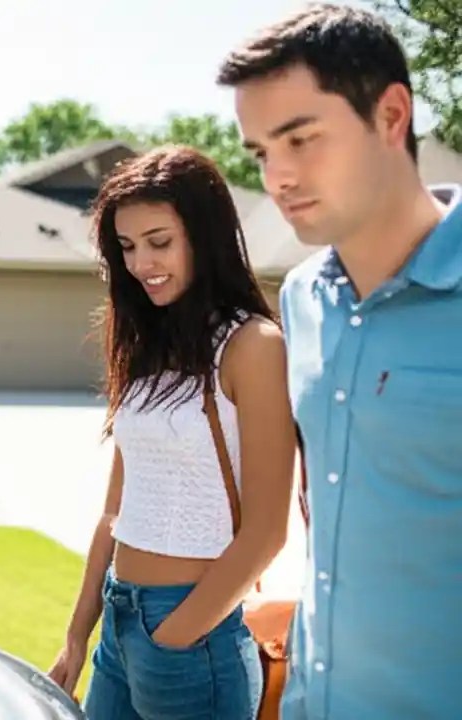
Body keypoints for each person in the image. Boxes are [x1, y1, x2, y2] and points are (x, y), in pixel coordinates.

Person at [218, 5, 462, 718]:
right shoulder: (301, 300)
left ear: (391, 116)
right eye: (261, 151)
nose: (279, 176)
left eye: (301, 138)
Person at [47, 146, 297, 719]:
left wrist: (178, 634)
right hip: (121, 620)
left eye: (159, 242)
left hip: (189, 638)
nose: (141, 264)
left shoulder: (252, 345)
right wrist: (78, 633)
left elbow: (266, 532)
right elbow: (116, 510)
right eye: (127, 247)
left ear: (202, 237)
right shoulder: (148, 348)